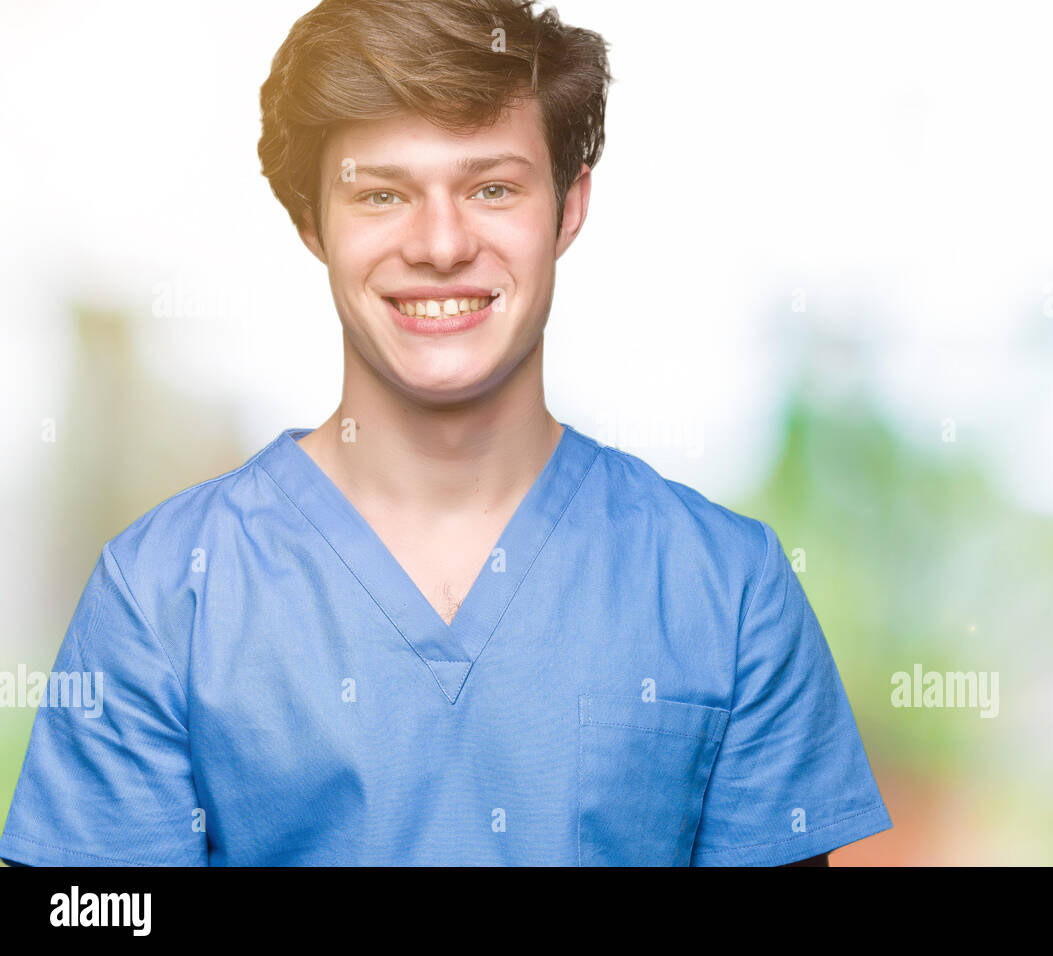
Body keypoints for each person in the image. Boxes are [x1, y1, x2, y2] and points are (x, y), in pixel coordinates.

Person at [0, 0, 891, 867]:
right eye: (382, 194)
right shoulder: (161, 598)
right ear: (311, 222)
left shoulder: (728, 591)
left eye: (492, 187)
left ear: (568, 209)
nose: (439, 243)